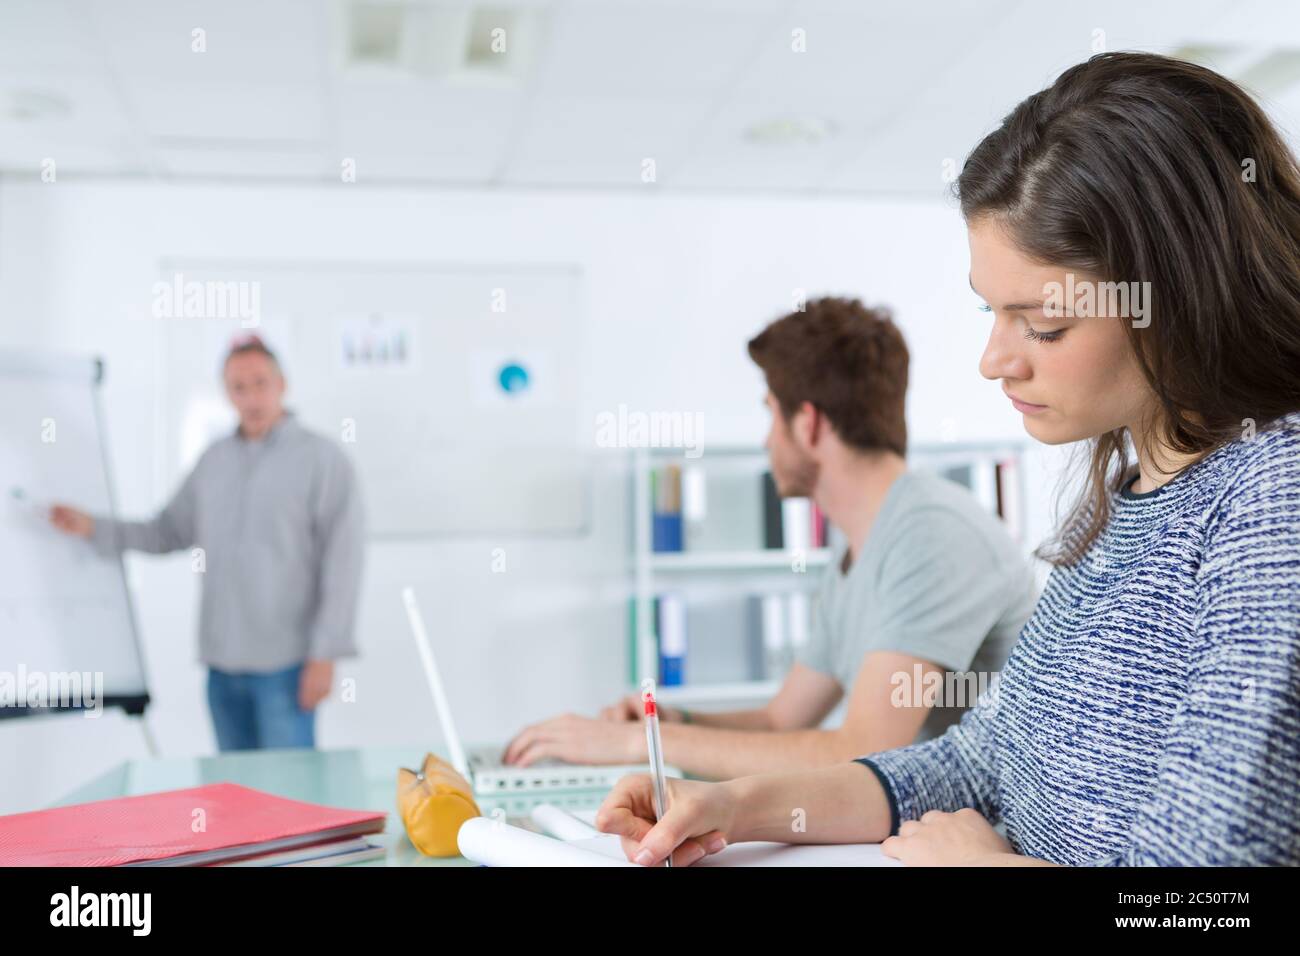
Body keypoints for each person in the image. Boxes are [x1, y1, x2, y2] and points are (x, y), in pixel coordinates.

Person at [595, 51, 1300, 867]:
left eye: (1041, 323)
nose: (995, 360)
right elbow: (978, 759)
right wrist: (736, 806)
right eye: (989, 312)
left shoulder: (1272, 501)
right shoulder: (1128, 492)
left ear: (1180, 297)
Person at [504, 298, 1037, 779]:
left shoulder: (932, 536)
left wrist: (640, 743)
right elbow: (780, 720)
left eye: (769, 417)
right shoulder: (857, 546)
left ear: (808, 425)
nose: (765, 441)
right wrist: (674, 720)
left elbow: (868, 751)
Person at [50, 335, 365, 751]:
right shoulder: (213, 460)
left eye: (260, 382)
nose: (251, 396)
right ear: (226, 393)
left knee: (290, 799)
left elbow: (342, 563)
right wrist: (94, 527)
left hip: (287, 666)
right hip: (221, 666)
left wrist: (325, 654)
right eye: (239, 386)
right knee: (236, 799)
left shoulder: (323, 460)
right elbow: (167, 531)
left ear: (281, 384)